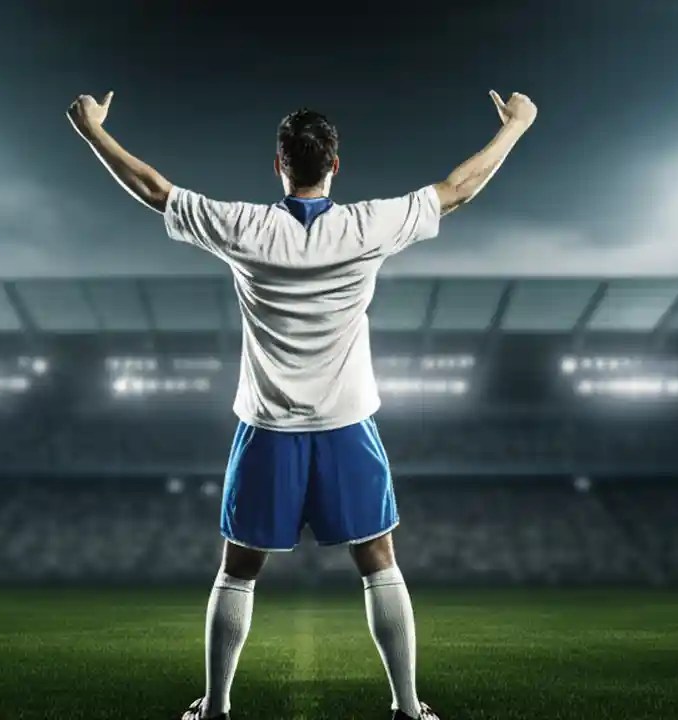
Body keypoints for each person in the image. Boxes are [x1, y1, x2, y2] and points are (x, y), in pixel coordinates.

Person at [67, 88, 536, 720]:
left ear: (279, 165)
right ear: (335, 165)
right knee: (379, 563)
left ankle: (216, 710)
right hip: (347, 425)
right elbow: (458, 189)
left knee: (237, 571)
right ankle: (407, 706)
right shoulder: (367, 225)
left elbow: (155, 190)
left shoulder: (246, 228)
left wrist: (94, 131)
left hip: (267, 427)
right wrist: (517, 126)